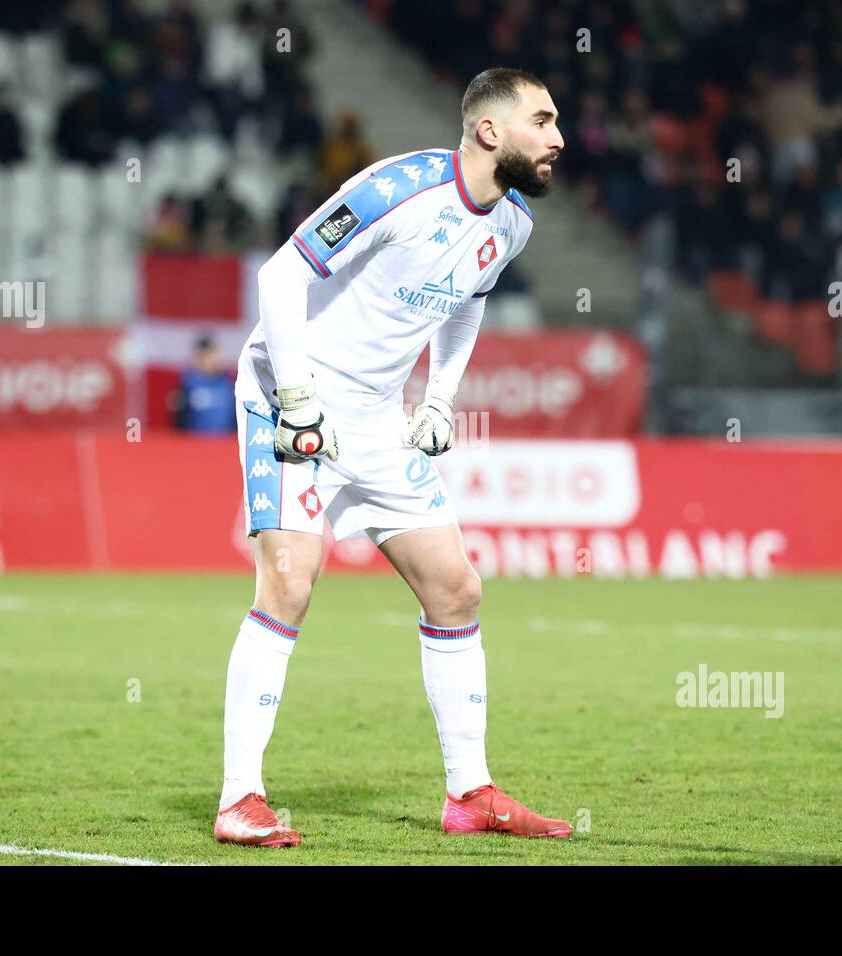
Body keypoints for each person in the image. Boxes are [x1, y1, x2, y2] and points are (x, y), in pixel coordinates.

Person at [214, 68, 570, 847]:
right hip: (288, 394)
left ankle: (469, 792)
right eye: (542, 122)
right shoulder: (396, 190)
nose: (559, 139)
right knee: (289, 581)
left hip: (377, 418)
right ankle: (240, 798)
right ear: (490, 131)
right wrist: (297, 398)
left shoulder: (512, 224)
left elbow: (467, 302)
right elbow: (281, 274)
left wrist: (440, 396)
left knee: (456, 588)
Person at [174, 337, 237, 434]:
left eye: (214, 355)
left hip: (224, 441)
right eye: (207, 356)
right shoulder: (187, 384)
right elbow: (179, 420)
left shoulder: (228, 384)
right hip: (195, 441)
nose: (212, 360)